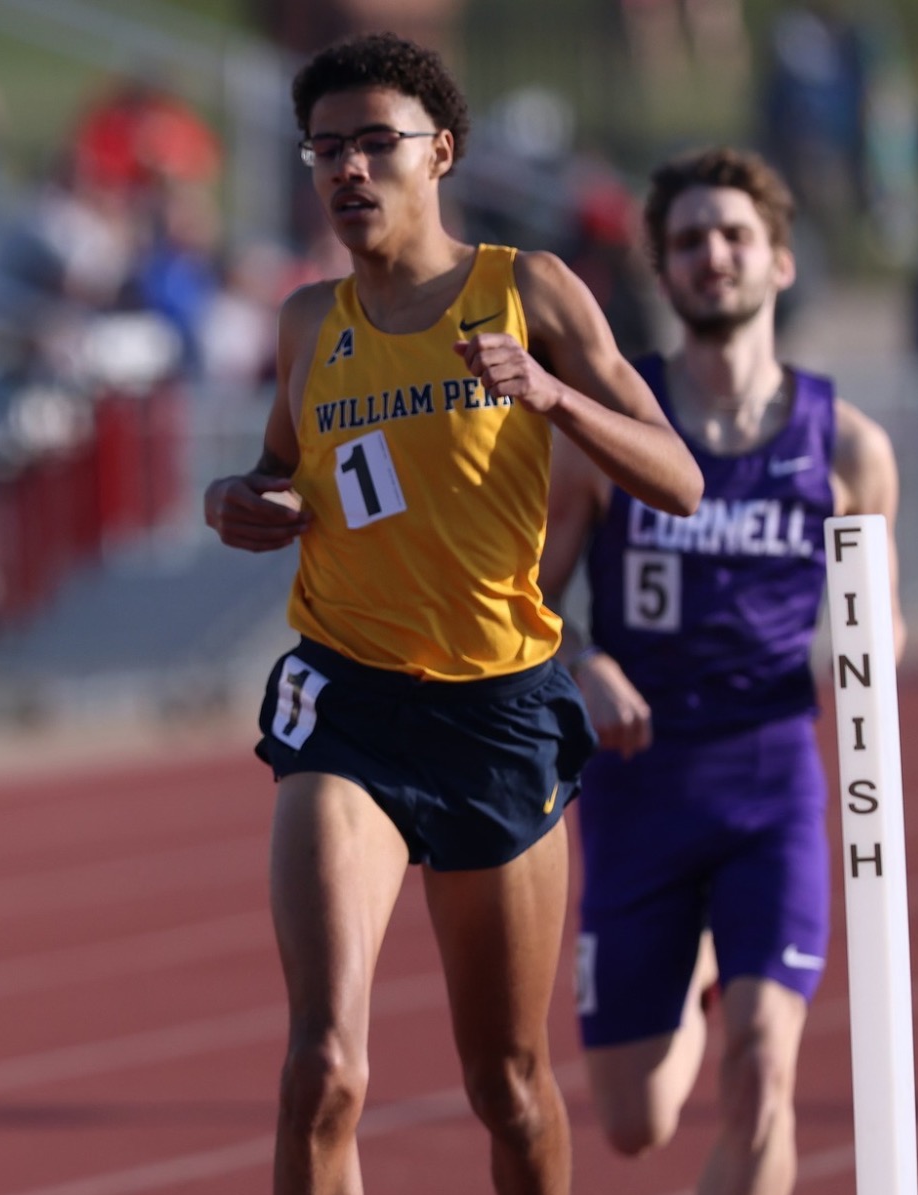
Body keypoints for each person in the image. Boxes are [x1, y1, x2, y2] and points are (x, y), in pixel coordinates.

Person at [203, 33, 702, 1195]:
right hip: (347, 703)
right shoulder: (305, 322)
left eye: (376, 142)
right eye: (325, 148)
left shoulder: (527, 290)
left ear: (440, 154)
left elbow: (678, 479)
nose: (348, 168)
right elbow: (277, 474)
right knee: (323, 1067)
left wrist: (553, 392)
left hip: (497, 712)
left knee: (509, 1086)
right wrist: (242, 499)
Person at [540, 147, 901, 1195]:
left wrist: (862, 659)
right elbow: (524, 601)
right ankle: (699, 957)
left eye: (735, 236)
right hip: (637, 782)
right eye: (690, 240)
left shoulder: (847, 449)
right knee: (634, 1119)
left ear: (779, 261)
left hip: (768, 781)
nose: (713, 256)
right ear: (662, 270)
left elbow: (878, 627)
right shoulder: (608, 435)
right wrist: (584, 660)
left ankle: (736, 972)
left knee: (761, 1067)